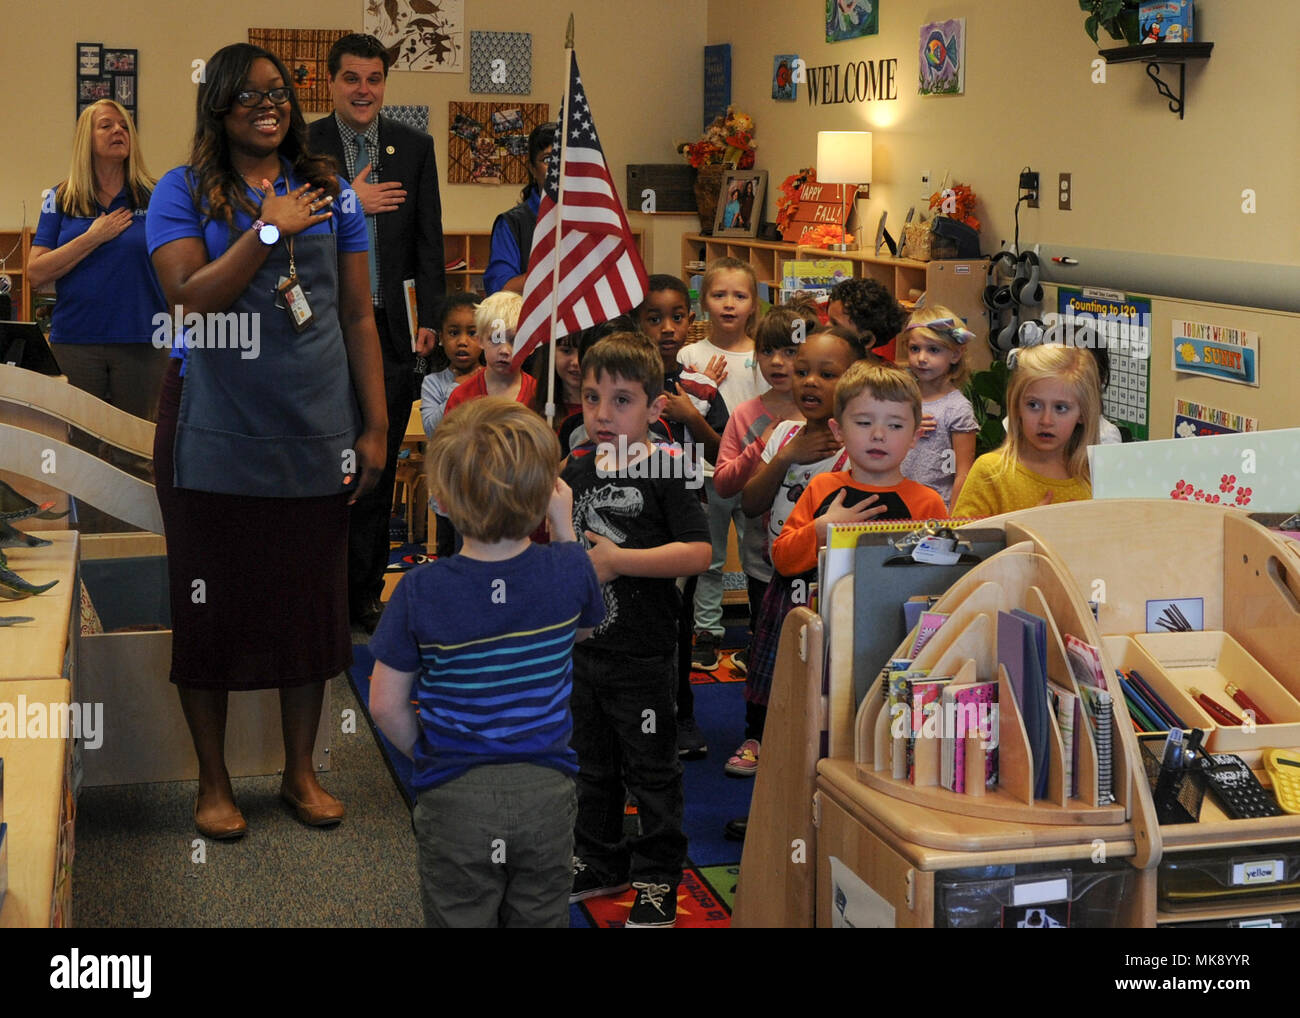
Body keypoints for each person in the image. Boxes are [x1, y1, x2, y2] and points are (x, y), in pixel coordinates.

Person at [146, 43, 387, 838]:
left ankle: (300, 773)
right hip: (212, 431)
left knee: (308, 608)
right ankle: (213, 783)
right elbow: (186, 299)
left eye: (277, 92)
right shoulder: (182, 192)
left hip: (314, 430)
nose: (267, 104)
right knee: (209, 606)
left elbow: (356, 315)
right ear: (217, 106)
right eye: (248, 95)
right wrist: (265, 232)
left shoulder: (327, 192)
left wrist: (377, 423)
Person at [368, 398, 604, 927]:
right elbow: (585, 628)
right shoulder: (568, 570)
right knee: (540, 914)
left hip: (455, 791)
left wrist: (428, 754)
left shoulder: (420, 588)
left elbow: (385, 705)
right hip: (547, 788)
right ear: (546, 495)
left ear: (442, 502)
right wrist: (565, 531)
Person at [563, 332, 711, 928]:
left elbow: (698, 553)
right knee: (590, 764)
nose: (602, 413)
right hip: (582, 650)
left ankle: (657, 875)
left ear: (654, 409)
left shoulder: (667, 469)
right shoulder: (574, 467)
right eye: (593, 397)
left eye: (621, 400)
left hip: (644, 655)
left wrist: (620, 561)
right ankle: (599, 858)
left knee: (651, 770)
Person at [309, 32, 446, 634]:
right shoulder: (302, 143)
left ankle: (362, 595)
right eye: (352, 79)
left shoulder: (413, 147)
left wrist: (431, 321)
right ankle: (313, 594)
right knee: (318, 470)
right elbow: (278, 230)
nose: (364, 90)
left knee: (377, 466)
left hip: (391, 337)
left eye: (374, 79)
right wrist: (349, 199)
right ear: (331, 82)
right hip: (316, 334)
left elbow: (428, 242)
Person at [734, 327, 865, 776]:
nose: (810, 382)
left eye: (827, 374)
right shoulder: (783, 433)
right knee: (765, 656)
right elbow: (751, 504)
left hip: (820, 579)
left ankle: (811, 743)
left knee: (817, 663)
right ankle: (757, 734)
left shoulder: (854, 450)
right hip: (768, 572)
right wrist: (787, 456)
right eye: (802, 370)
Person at [29, 99, 166, 516]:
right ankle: (87, 555)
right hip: (78, 342)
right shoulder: (61, 198)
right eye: (106, 125)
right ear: (86, 139)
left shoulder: (156, 195)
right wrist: (95, 235)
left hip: (143, 341)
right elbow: (36, 273)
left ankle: (135, 556)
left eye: (123, 125)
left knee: (137, 456)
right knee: (81, 453)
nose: (118, 131)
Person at [635, 274, 728, 760]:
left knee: (679, 622)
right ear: (637, 323)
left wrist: (692, 415)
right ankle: (635, 714)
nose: (667, 329)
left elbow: (727, 451)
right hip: (633, 519)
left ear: (690, 321)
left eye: (676, 317)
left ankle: (681, 712)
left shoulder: (701, 386)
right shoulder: (627, 383)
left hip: (687, 516)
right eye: (654, 319)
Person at [713, 302, 817, 679]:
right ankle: (758, 733)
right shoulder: (746, 414)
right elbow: (724, 483)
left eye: (790, 351)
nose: (777, 362)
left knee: (814, 656)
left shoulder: (830, 412)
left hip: (818, 561)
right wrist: (763, 445)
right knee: (767, 655)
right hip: (762, 563)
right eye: (767, 351)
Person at [677, 257, 767, 673]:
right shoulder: (690, 353)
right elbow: (686, 410)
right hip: (707, 474)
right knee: (710, 557)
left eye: (739, 295)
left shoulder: (763, 356)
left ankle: (757, 632)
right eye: (719, 295)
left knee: (757, 555)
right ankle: (707, 631)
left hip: (755, 475)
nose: (729, 304)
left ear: (753, 305)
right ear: (704, 302)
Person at [953, 344, 1100, 518]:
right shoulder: (991, 472)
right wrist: (1025, 526)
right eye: (1034, 405)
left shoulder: (1094, 477)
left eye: (1060, 408)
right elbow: (961, 541)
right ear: (1017, 407)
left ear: (1083, 413)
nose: (1046, 421)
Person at [899, 306, 979, 510]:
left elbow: (963, 472)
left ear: (955, 355)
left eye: (933, 350)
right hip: (896, 500)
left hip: (936, 507)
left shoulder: (957, 408)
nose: (921, 358)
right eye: (914, 348)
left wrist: (952, 518)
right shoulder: (900, 397)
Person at [483, 123, 555, 295]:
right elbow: (500, 290)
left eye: (564, 158)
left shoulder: (593, 217)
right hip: (530, 317)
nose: (557, 167)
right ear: (532, 168)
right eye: (547, 159)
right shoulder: (512, 223)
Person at [443, 290, 536, 415]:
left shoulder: (540, 396)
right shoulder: (461, 397)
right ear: (480, 340)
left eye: (514, 341)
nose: (504, 350)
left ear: (531, 346)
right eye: (495, 339)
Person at [419, 292, 481, 439]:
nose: (462, 341)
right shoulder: (432, 383)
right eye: (454, 333)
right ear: (441, 338)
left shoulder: (492, 378)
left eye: (472, 333)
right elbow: (431, 431)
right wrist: (457, 389)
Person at [826, 276, 908, 355]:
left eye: (835, 324)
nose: (826, 326)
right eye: (829, 320)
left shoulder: (879, 369)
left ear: (866, 340)